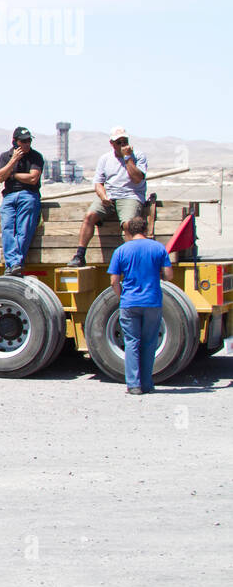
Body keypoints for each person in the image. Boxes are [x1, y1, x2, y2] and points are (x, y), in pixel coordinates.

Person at [108, 215, 173, 394]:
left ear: (129, 230)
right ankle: (148, 384)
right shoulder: (158, 248)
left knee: (131, 343)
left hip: (129, 303)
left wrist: (121, 296)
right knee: (149, 343)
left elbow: (114, 280)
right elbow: (169, 275)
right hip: (152, 301)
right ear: (146, 230)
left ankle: (134, 385)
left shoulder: (121, 251)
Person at [68, 127, 148, 267]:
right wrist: (103, 196)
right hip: (109, 195)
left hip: (130, 195)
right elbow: (98, 183)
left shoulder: (138, 156)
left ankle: (132, 260)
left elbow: (137, 179)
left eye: (125, 141)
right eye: (119, 142)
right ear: (112, 143)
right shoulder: (105, 159)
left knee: (128, 224)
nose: (123, 144)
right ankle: (80, 255)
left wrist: (128, 158)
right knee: (89, 216)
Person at [0, 126, 44, 276]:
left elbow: (33, 178)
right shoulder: (5, 157)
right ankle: (15, 263)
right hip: (9, 196)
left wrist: (13, 175)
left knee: (24, 230)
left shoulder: (36, 157)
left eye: (29, 140)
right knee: (8, 229)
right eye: (23, 141)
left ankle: (14, 264)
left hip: (28, 194)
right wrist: (13, 161)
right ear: (15, 142)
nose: (27, 144)